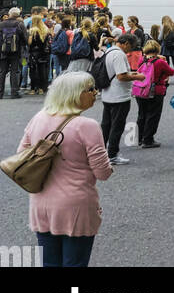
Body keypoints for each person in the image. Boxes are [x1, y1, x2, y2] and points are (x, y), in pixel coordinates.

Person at [16, 70, 113, 267]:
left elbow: (21, 154)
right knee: (75, 263)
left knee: (50, 264)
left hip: (41, 204)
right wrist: (109, 167)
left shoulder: (39, 117)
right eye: (90, 89)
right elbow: (102, 173)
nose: (95, 92)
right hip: (75, 206)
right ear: (74, 94)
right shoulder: (87, 126)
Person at [101, 33, 145, 163]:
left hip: (108, 93)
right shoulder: (119, 54)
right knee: (117, 126)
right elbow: (121, 76)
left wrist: (131, 73)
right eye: (130, 47)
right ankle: (112, 155)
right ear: (125, 43)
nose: (130, 50)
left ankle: (101, 152)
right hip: (119, 95)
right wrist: (137, 77)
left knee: (106, 125)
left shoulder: (109, 51)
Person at [132, 40, 174, 148]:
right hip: (155, 90)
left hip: (140, 89)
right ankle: (148, 139)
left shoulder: (141, 60)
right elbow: (171, 72)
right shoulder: (160, 62)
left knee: (142, 114)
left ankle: (139, 138)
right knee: (153, 115)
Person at [0, 10, 27, 98]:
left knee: (2, 72)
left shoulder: (1, 24)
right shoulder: (19, 24)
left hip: (3, 51)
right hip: (15, 51)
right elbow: (25, 39)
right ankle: (14, 92)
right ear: (18, 15)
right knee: (14, 72)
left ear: (9, 14)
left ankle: (0, 92)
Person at [27, 14, 51, 95]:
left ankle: (33, 89)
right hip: (43, 53)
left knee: (33, 71)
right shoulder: (45, 30)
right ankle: (41, 88)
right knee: (42, 71)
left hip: (34, 53)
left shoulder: (32, 30)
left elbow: (30, 43)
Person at [49, 16, 73, 80]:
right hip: (68, 52)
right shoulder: (70, 32)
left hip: (60, 50)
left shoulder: (61, 31)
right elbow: (71, 43)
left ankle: (58, 79)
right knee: (66, 68)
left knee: (59, 66)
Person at [160, 17, 174, 83]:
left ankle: (167, 78)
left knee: (167, 63)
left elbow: (160, 37)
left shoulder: (164, 26)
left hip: (166, 46)